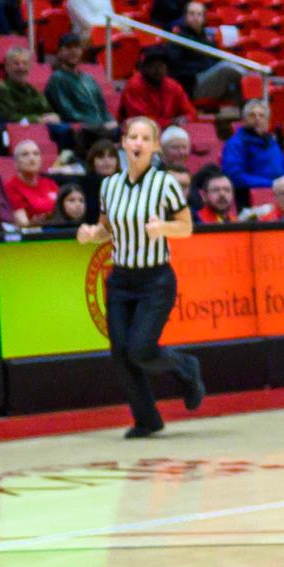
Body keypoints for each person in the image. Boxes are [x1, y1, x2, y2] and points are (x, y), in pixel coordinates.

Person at [78, 116, 207, 436]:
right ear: (123, 143)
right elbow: (106, 230)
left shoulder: (165, 184)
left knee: (140, 349)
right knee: (121, 354)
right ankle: (146, 418)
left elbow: (186, 227)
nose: (137, 143)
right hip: (120, 280)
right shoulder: (109, 185)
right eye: (131, 137)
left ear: (154, 147)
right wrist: (90, 233)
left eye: (144, 138)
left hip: (156, 280)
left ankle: (186, 367)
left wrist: (162, 227)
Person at [46, 32, 116, 147]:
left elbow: (102, 106)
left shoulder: (88, 78)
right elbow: (67, 112)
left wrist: (110, 121)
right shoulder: (57, 79)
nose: (73, 51)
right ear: (59, 52)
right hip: (82, 132)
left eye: (77, 47)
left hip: (100, 128)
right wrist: (100, 125)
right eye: (68, 47)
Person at [221, 98, 284, 191]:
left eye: (262, 116)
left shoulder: (271, 141)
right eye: (252, 115)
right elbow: (234, 176)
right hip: (252, 193)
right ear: (244, 120)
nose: (257, 119)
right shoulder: (236, 143)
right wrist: (271, 183)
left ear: (268, 122)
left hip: (279, 189)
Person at [119, 49, 195, 128]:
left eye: (161, 65)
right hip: (138, 130)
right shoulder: (134, 85)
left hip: (168, 128)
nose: (157, 69)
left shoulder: (173, 86)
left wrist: (185, 118)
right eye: (153, 65)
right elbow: (141, 120)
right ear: (143, 68)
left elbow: (190, 112)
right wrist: (170, 122)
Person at [0, 45, 54, 127]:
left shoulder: (33, 89)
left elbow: (47, 110)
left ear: (30, 67)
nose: (21, 68)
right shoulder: (0, 89)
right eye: (16, 64)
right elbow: (10, 117)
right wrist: (37, 119)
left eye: (25, 63)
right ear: (7, 67)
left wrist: (54, 116)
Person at [1, 139, 60, 226]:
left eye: (36, 154)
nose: (32, 158)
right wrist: (35, 223)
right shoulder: (10, 187)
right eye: (25, 154)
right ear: (15, 163)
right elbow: (23, 224)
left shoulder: (50, 183)